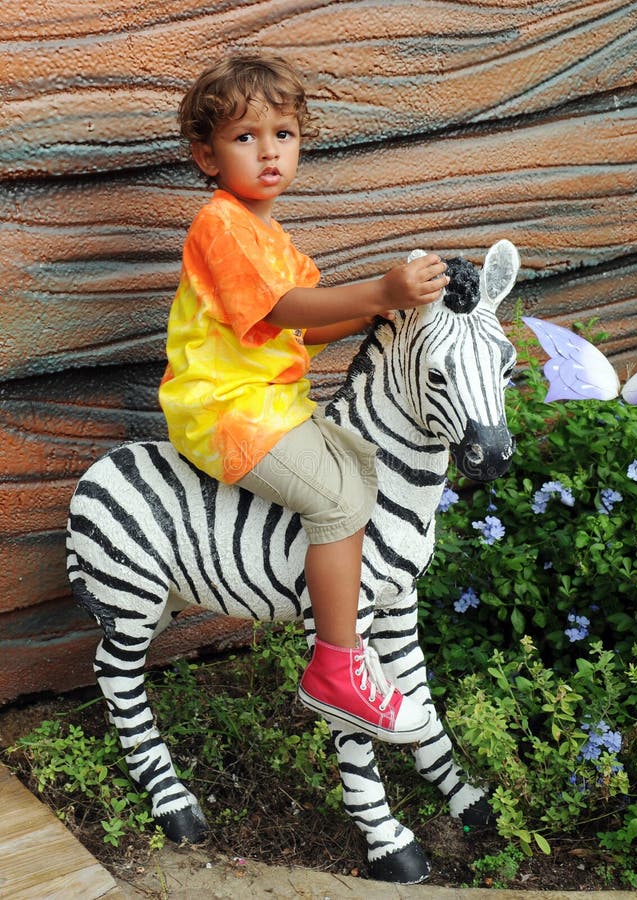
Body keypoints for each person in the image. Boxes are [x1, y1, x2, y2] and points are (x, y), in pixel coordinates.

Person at [159, 53, 448, 743]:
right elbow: (288, 306)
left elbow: (304, 322)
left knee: (360, 466)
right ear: (206, 155)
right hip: (225, 411)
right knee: (340, 499)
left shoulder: (273, 240)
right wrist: (379, 291)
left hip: (271, 401)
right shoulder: (220, 226)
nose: (269, 153)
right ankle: (335, 668)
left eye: (283, 135)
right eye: (245, 137)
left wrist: (379, 315)